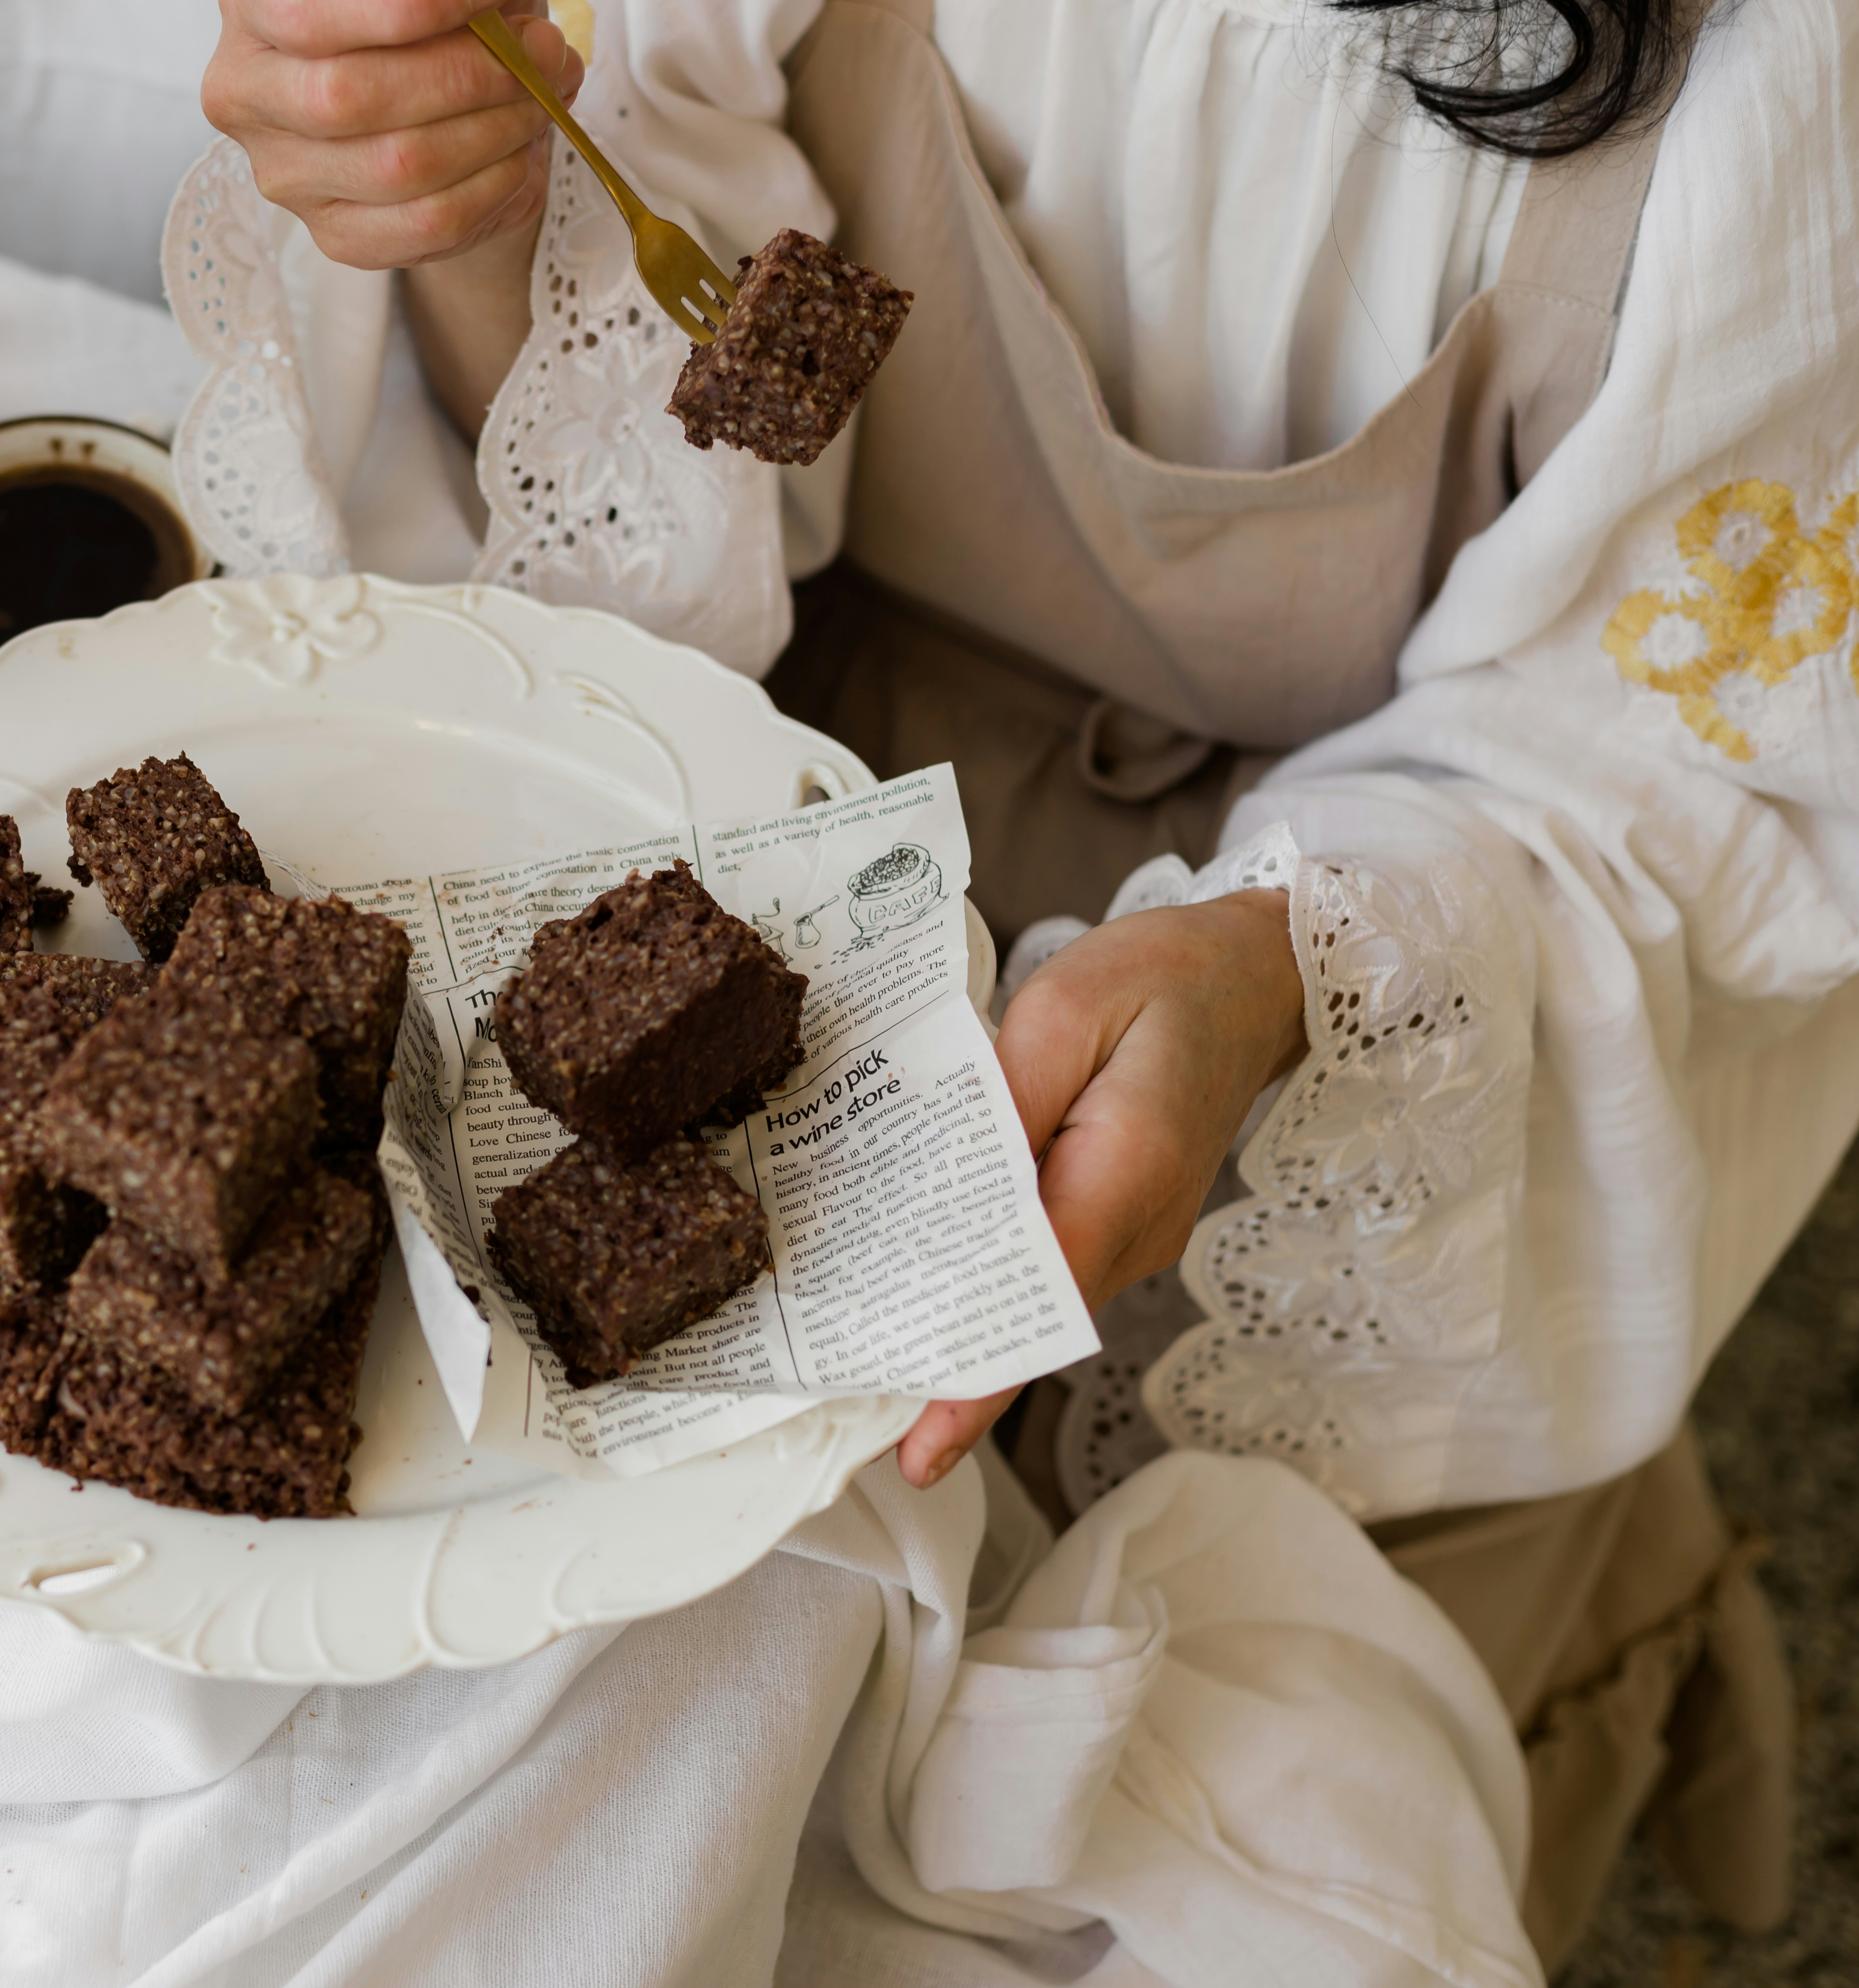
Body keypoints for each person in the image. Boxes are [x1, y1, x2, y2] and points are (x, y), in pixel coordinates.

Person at [182, 0, 1847, 1957]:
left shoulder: (1792, 92)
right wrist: (472, 195)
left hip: (1400, 953)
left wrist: (1276, 971)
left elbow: (1675, 774)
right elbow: (630, 434)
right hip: (795, 753)